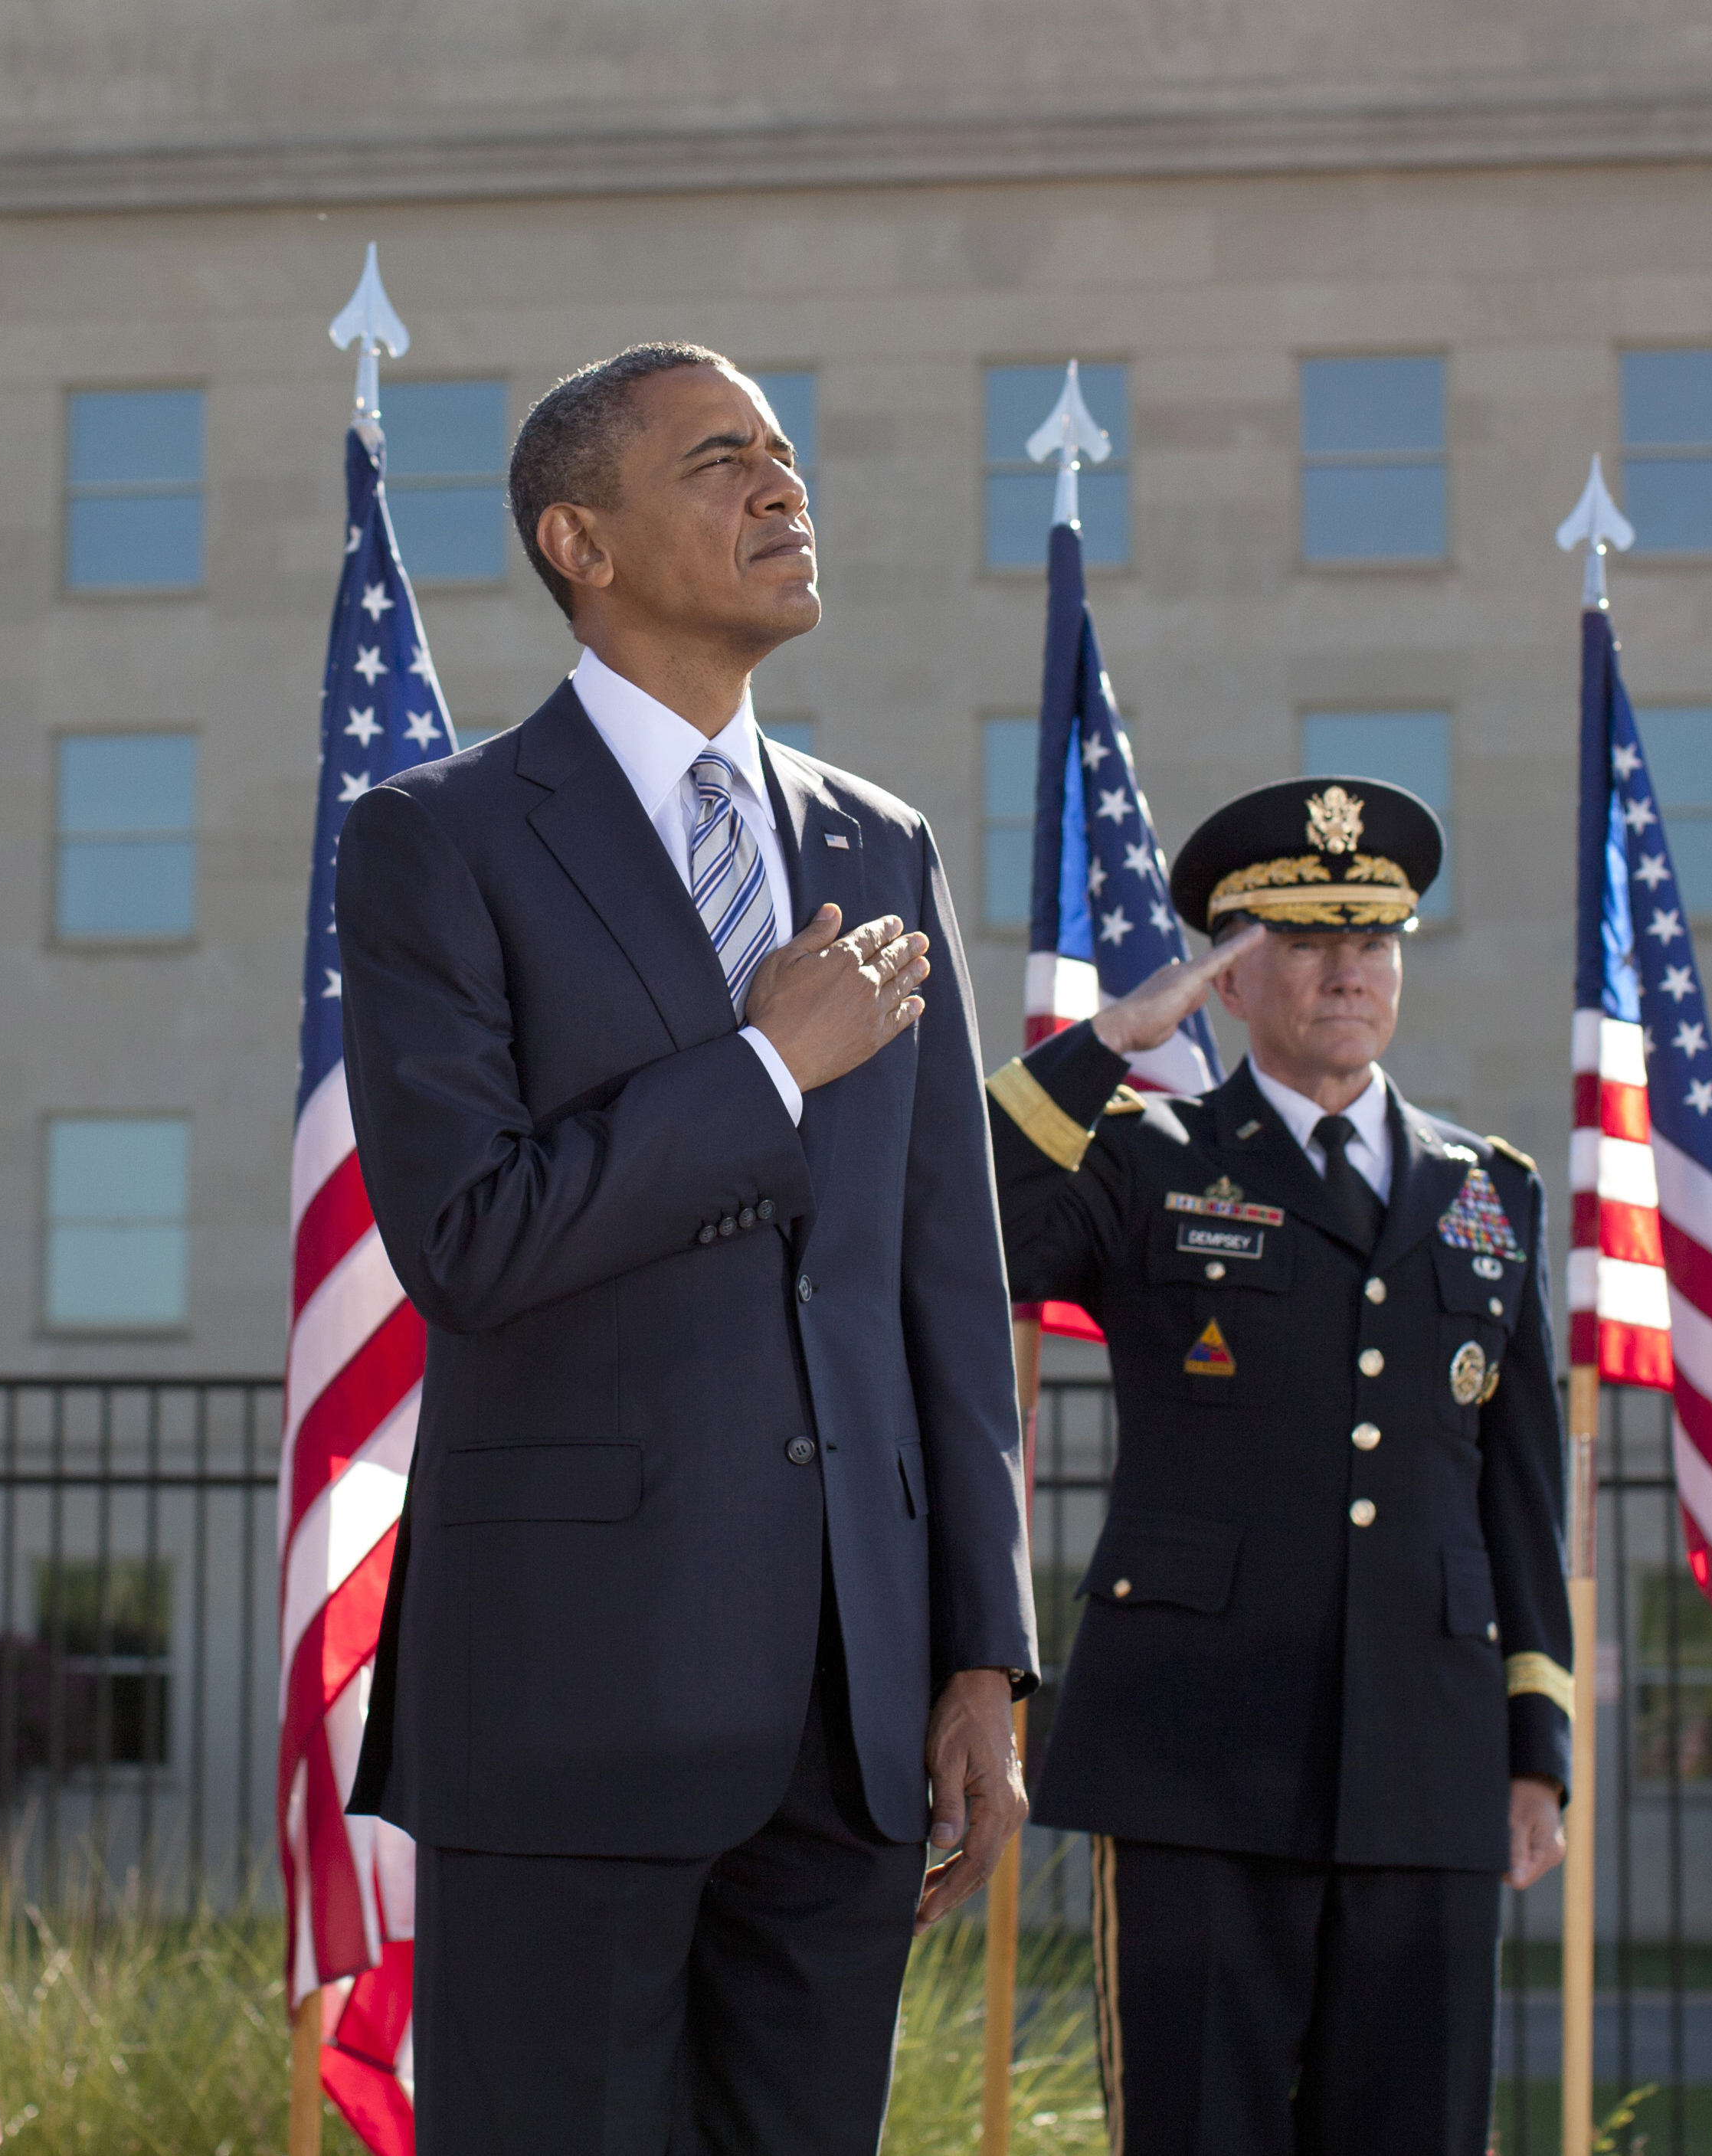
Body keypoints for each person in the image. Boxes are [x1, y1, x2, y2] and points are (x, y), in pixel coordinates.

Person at [332, 342, 1038, 2154]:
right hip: (572, 1699)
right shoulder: (435, 839)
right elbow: (470, 1240)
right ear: (578, 537)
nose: (779, 491)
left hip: (852, 1711)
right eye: (720, 460)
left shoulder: (878, 846)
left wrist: (977, 1652)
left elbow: (940, 1286)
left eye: (785, 456)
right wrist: (757, 1069)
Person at [985, 775, 1569, 2156]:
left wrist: (1533, 1741)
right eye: (1301, 945)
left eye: (1371, 943)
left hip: (1427, 1764)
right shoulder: (1147, 1161)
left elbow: (1517, 1490)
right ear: (1233, 981)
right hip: (1197, 1752)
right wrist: (1110, 1042)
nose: (1346, 974)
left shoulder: (1488, 1189)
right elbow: (957, 1224)